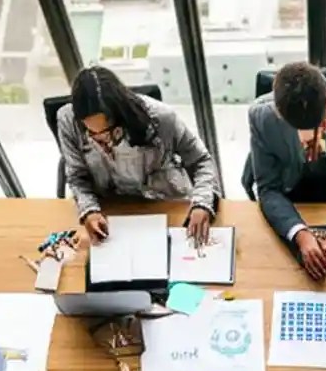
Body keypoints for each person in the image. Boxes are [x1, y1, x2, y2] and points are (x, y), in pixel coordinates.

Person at [243, 61, 326, 281]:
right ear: (277, 111)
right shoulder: (261, 115)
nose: (307, 136)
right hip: (288, 186)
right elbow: (268, 187)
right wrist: (300, 234)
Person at [56, 65, 221, 246]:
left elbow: (201, 161)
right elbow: (77, 177)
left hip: (166, 205)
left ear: (123, 116)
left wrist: (201, 203)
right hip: (111, 216)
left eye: (111, 133)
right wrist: (89, 210)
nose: (104, 144)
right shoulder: (67, 121)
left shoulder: (161, 118)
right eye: (92, 136)